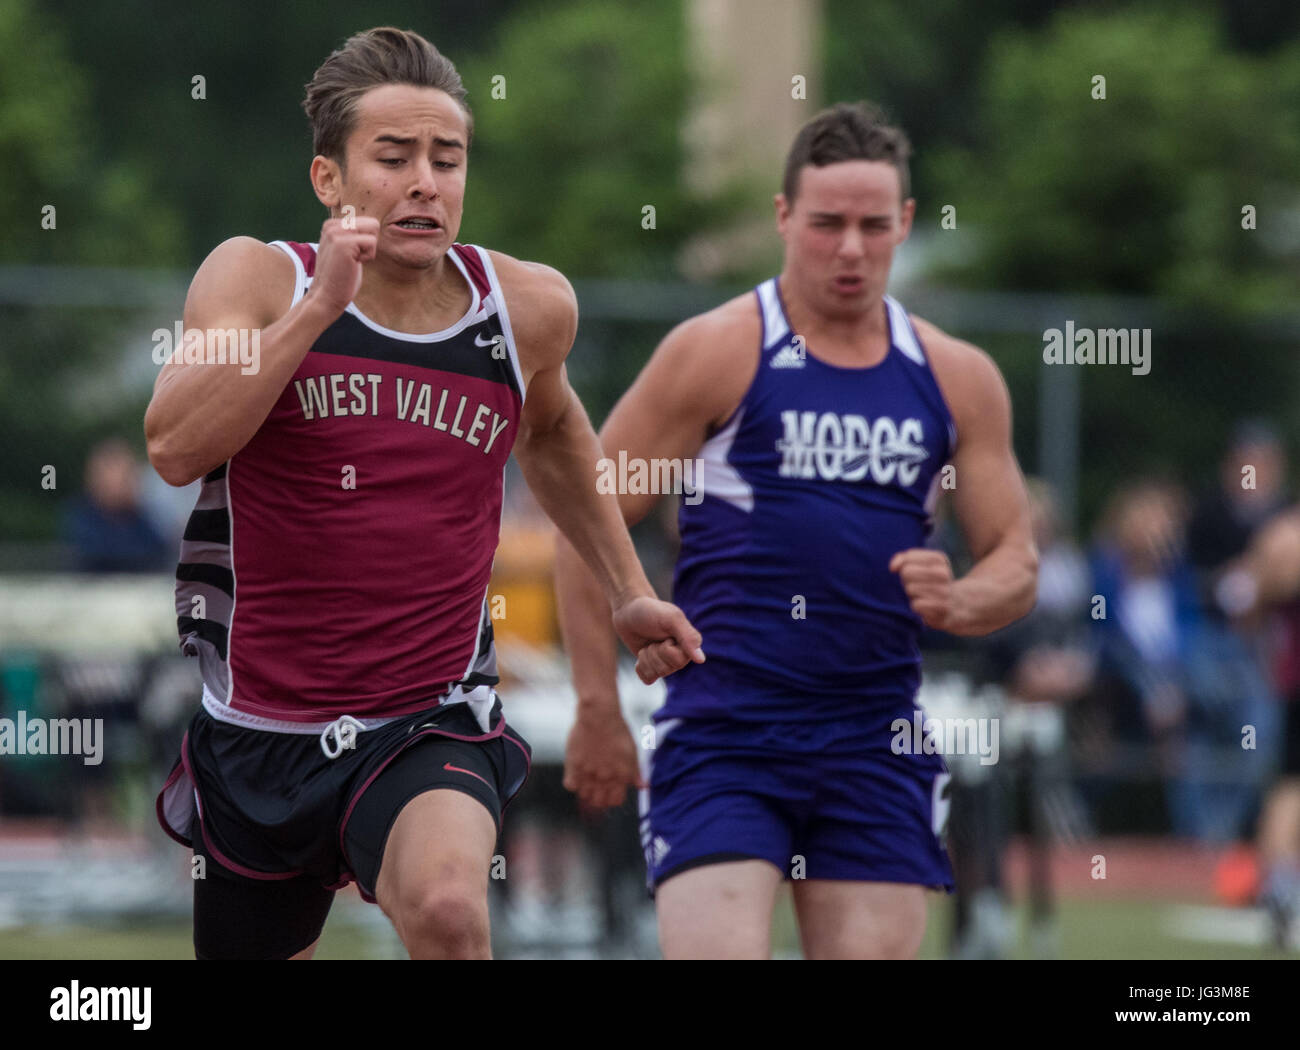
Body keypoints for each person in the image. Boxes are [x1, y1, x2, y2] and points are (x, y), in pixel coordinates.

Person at [144, 26, 701, 960]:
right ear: (330, 180)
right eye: (394, 158)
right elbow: (173, 443)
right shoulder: (256, 277)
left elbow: (556, 431)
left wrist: (626, 588)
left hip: (428, 715)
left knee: (450, 910)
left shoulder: (521, 310)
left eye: (447, 159)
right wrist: (321, 308)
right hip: (259, 728)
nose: (425, 182)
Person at [556, 102, 1037, 959]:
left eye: (872, 225)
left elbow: (1018, 560)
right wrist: (597, 707)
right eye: (826, 224)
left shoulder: (957, 377)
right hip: (724, 733)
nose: (850, 248)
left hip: (874, 737)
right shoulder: (718, 351)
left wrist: (964, 600)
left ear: (906, 225)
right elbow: (585, 520)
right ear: (784, 218)